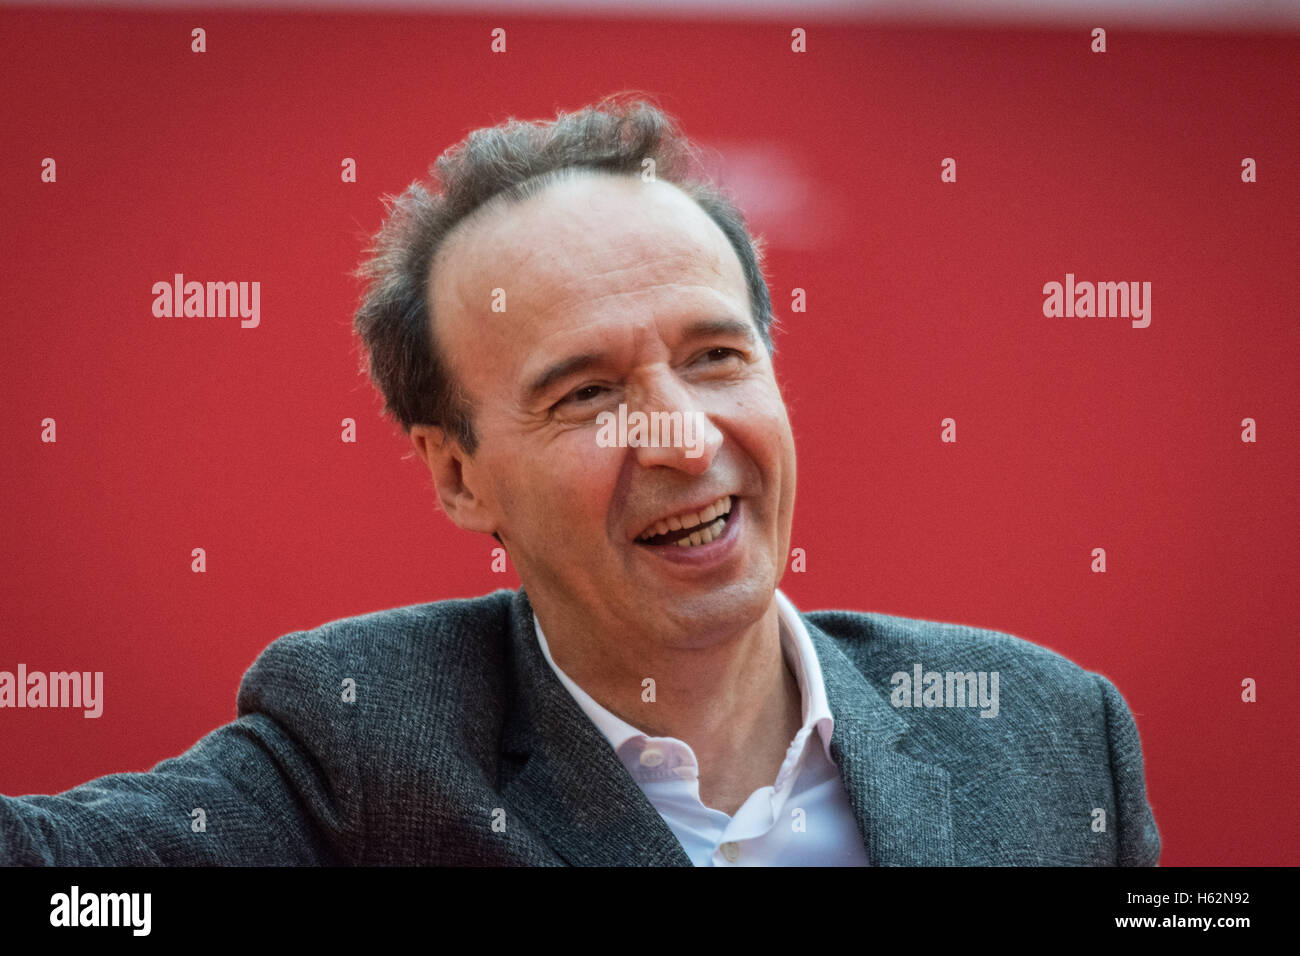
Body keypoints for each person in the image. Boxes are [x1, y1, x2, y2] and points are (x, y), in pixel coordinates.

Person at [0, 96, 1160, 866]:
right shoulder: (367, 752)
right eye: (587, 394)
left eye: (716, 355)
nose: (682, 436)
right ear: (460, 477)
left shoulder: (1047, 731)